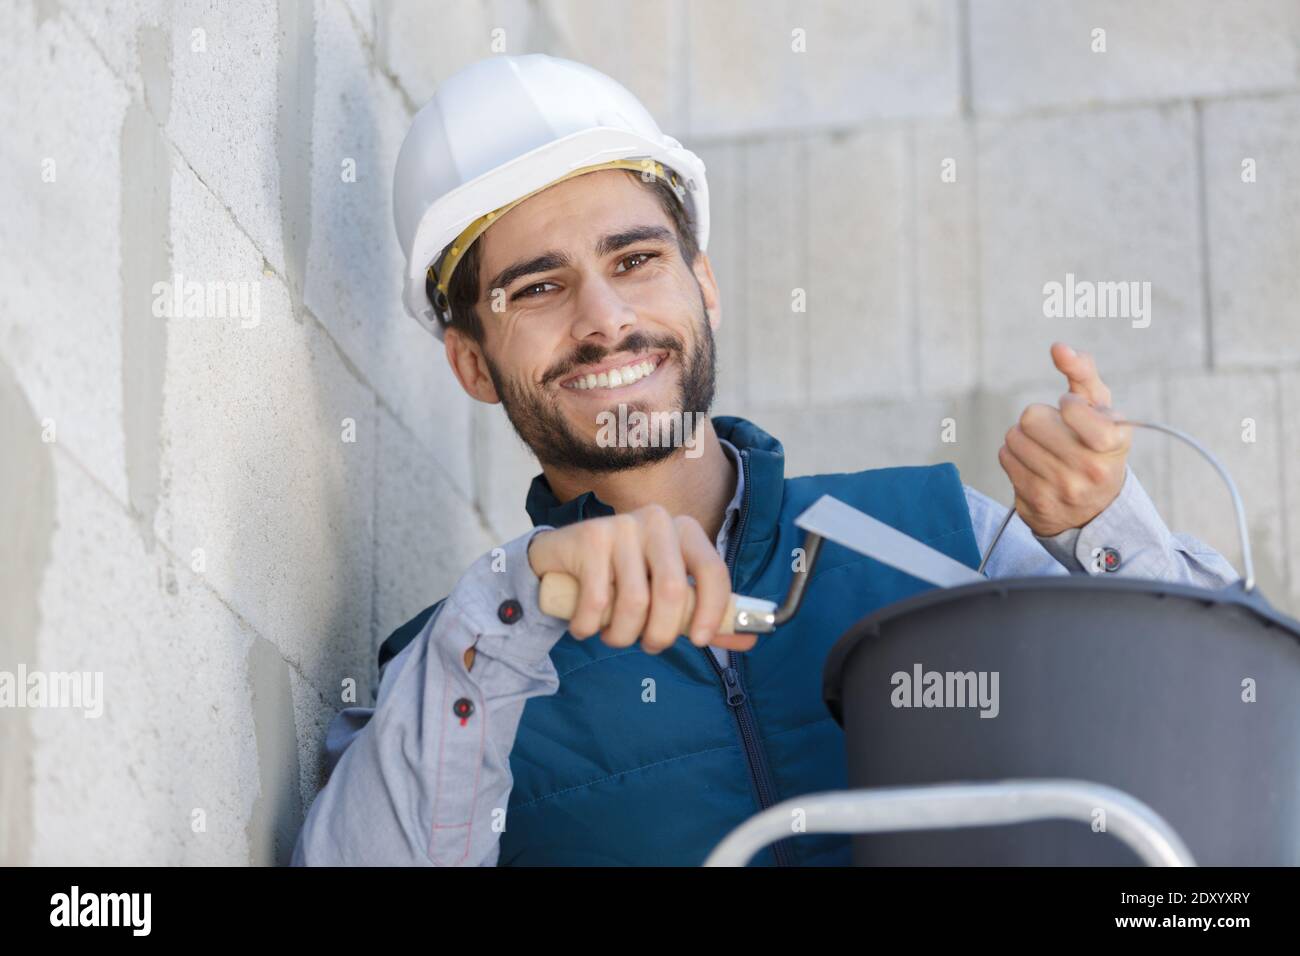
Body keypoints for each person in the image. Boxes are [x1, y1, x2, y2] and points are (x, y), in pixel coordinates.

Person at [291, 54, 1237, 866]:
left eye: (634, 262)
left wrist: (1100, 533)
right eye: (537, 288)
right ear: (471, 365)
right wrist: (515, 594)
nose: (606, 320)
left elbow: (1232, 771)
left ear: (702, 284)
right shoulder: (462, 669)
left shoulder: (945, 538)